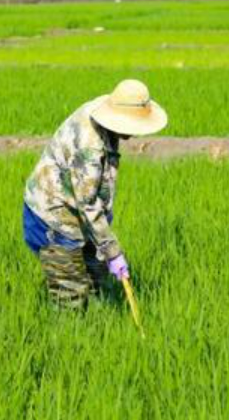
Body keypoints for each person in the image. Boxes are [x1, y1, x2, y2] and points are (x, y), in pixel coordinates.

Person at [23, 79, 168, 310]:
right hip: (53, 217)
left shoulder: (104, 109)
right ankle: (70, 338)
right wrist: (113, 250)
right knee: (70, 294)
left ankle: (98, 327)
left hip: (79, 211)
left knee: (96, 278)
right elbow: (88, 203)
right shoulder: (89, 147)